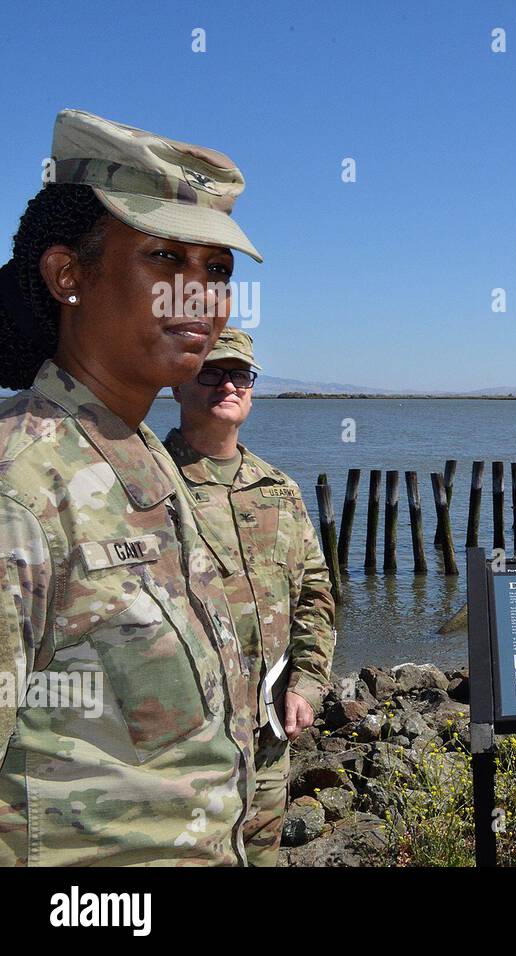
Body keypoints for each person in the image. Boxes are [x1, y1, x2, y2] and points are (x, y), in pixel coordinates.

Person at [0, 109, 263, 865]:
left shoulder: (137, 452)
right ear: (67, 274)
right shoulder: (22, 487)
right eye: (164, 257)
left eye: (217, 270)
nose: (199, 296)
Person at [165, 328, 336, 866]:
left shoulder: (278, 489)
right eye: (211, 372)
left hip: (267, 737)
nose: (228, 385)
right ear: (178, 384)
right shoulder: (147, 484)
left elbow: (316, 592)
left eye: (240, 375)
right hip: (182, 744)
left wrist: (307, 681)